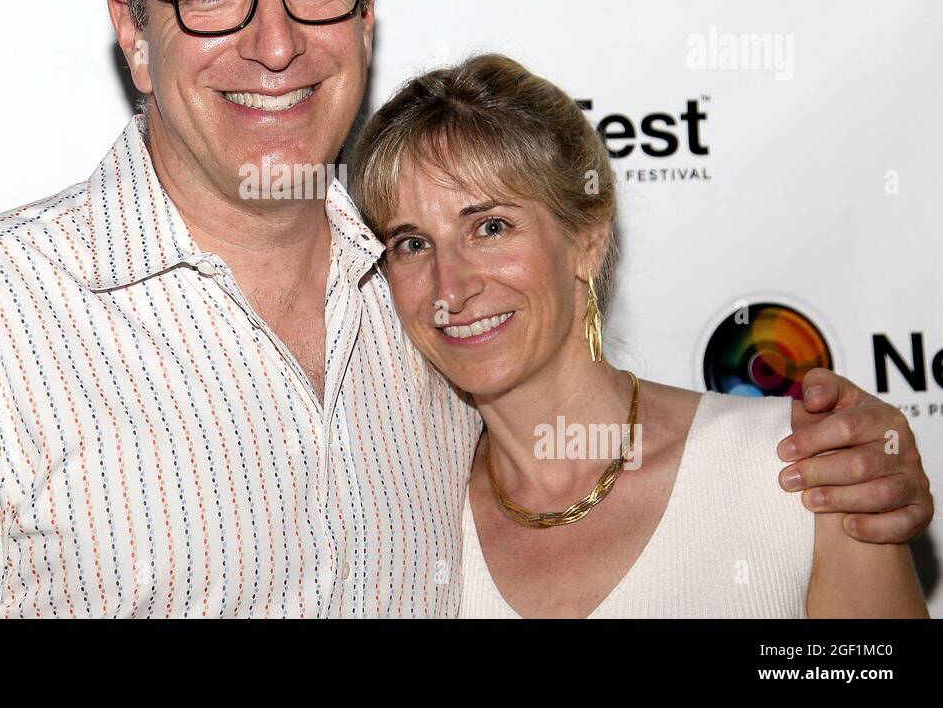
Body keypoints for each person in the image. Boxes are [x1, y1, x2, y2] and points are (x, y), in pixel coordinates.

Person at [0, 0, 932, 618]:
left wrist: (850, 456)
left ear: (365, 3)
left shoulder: (418, 308)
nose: (275, 40)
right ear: (131, 33)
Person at [348, 53, 930, 617]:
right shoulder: (403, 535)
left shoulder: (801, 473)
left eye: (490, 227)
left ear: (587, 239)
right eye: (412, 244)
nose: (451, 288)